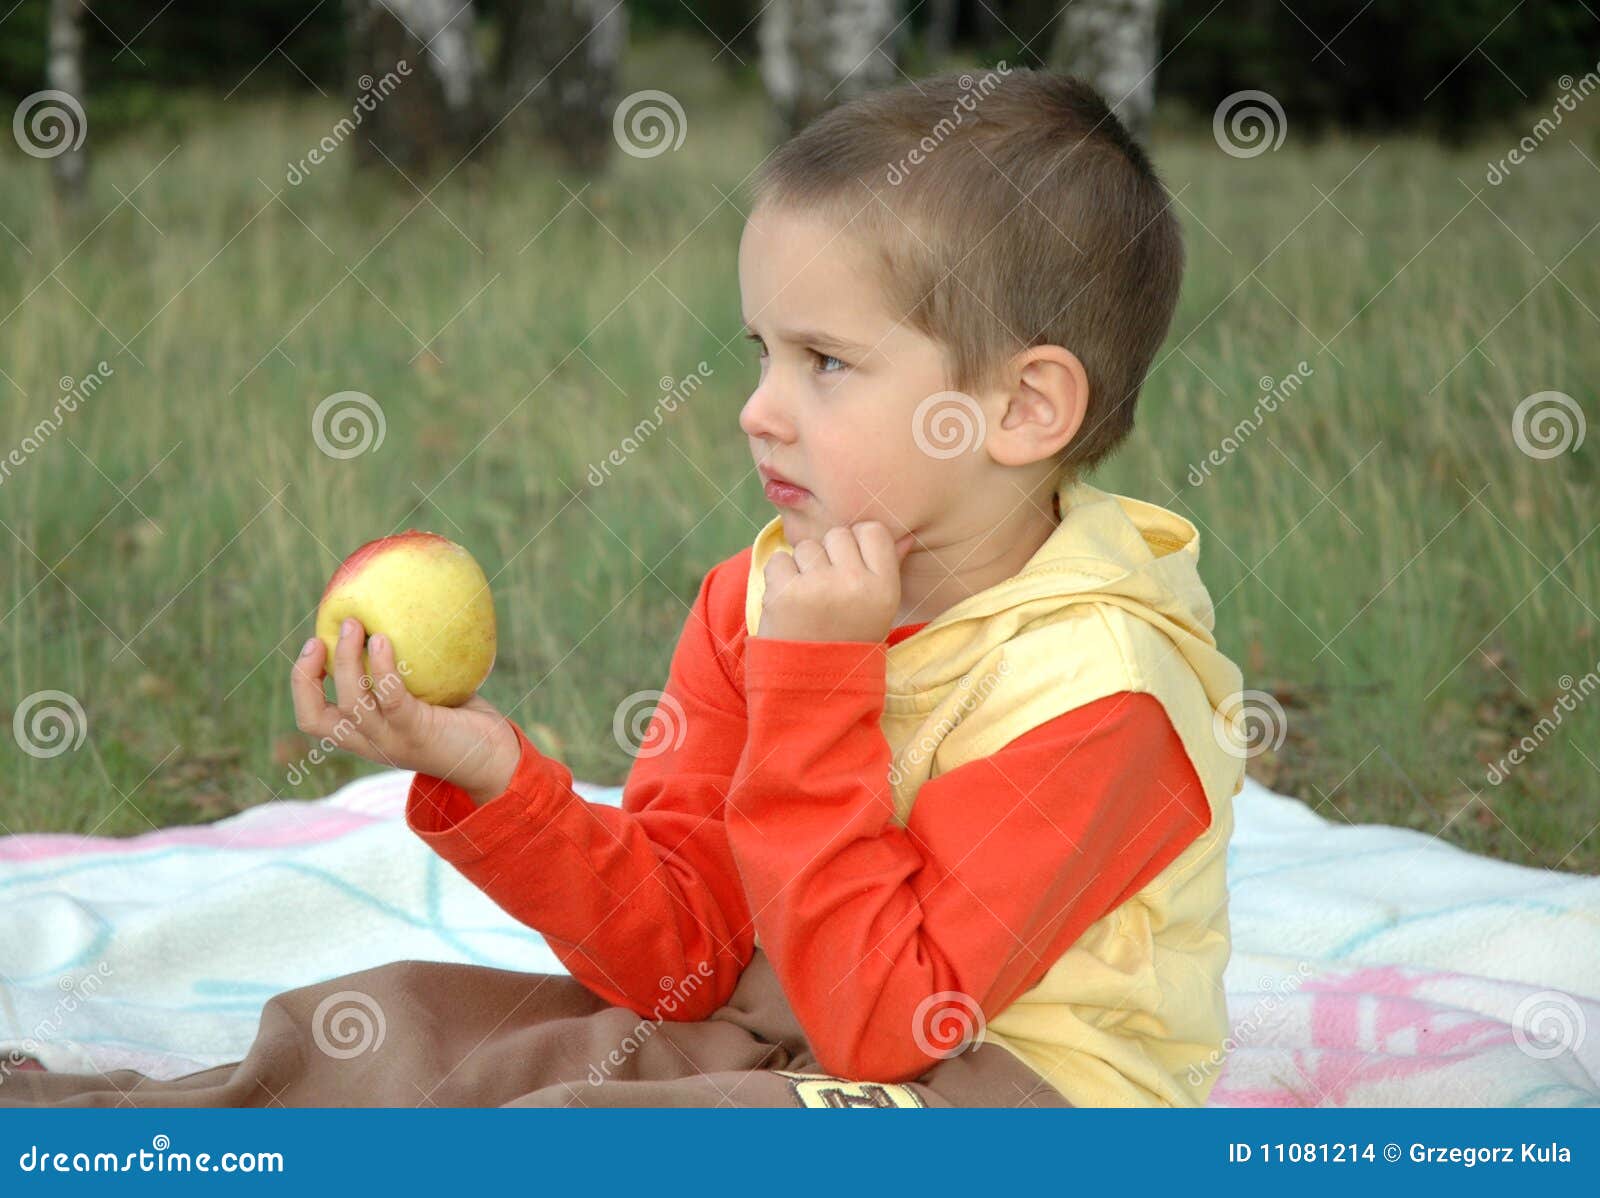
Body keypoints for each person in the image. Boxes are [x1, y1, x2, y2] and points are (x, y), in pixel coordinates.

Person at [1, 67, 1245, 1109]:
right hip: (778, 1039)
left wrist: (819, 686)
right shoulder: (759, 601)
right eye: (762, 352)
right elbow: (684, 962)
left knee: (610, 1136)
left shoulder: (1103, 690)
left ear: (1022, 408)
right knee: (399, 1030)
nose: (758, 410)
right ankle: (97, 1134)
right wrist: (496, 776)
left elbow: (887, 1024)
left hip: (1007, 1100)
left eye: (825, 362)